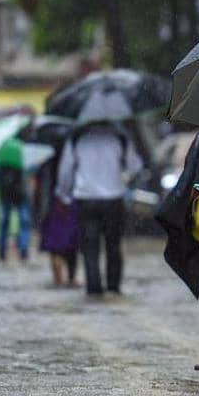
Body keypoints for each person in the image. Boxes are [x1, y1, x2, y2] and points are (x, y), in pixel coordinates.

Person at [56, 124, 142, 296]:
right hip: (114, 198)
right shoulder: (119, 137)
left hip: (86, 199)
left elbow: (65, 171)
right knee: (113, 245)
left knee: (89, 246)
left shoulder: (77, 139)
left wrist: (63, 195)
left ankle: (94, 289)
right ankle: (113, 287)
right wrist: (122, 176)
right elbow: (135, 166)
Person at [38, 143, 80, 287]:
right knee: (70, 243)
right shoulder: (73, 152)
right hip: (67, 201)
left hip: (56, 202)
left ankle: (59, 280)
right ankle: (70, 279)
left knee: (56, 244)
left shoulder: (46, 158)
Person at [0, 158, 30, 262]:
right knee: (22, 221)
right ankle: (22, 249)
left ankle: (3, 249)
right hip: (18, 194)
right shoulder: (21, 158)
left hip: (10, 194)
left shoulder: (1, 161)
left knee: (5, 222)